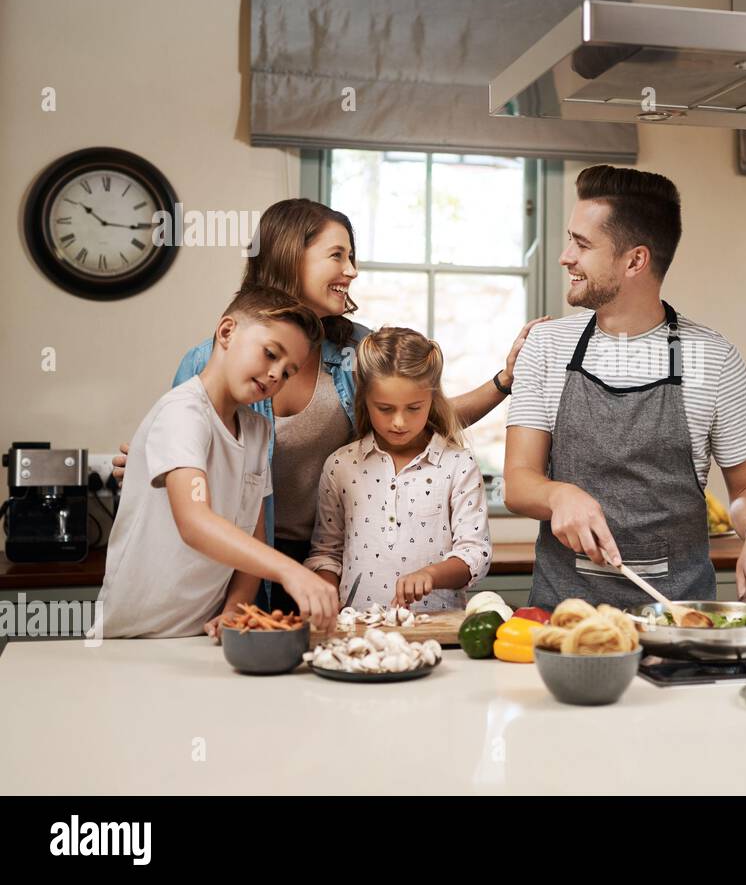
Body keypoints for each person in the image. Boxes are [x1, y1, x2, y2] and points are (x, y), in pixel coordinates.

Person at [113, 198, 542, 611]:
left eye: (351, 257)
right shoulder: (208, 361)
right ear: (288, 257)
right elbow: (186, 470)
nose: (351, 271)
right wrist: (154, 463)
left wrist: (503, 382)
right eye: (337, 256)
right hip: (235, 560)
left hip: (329, 557)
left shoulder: (357, 349)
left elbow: (420, 415)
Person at [504, 166, 746, 610]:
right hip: (564, 619)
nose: (564, 256)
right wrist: (559, 493)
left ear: (635, 260)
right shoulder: (546, 345)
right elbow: (518, 483)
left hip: (677, 619)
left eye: (581, 244)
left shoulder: (714, 359)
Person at [95, 286, 340, 638]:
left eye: (288, 372)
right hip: (134, 638)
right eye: (271, 354)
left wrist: (236, 608)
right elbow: (195, 521)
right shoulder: (183, 412)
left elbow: (254, 534)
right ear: (227, 332)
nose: (275, 375)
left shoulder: (257, 431)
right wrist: (292, 571)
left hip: (199, 639)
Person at [304, 327, 490, 609]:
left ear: (432, 399)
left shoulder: (458, 465)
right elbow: (326, 553)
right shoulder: (341, 465)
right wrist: (326, 594)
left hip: (436, 629)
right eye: (385, 408)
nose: (399, 422)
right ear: (364, 399)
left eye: (414, 408)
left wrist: (431, 574)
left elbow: (475, 553)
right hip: (358, 631)